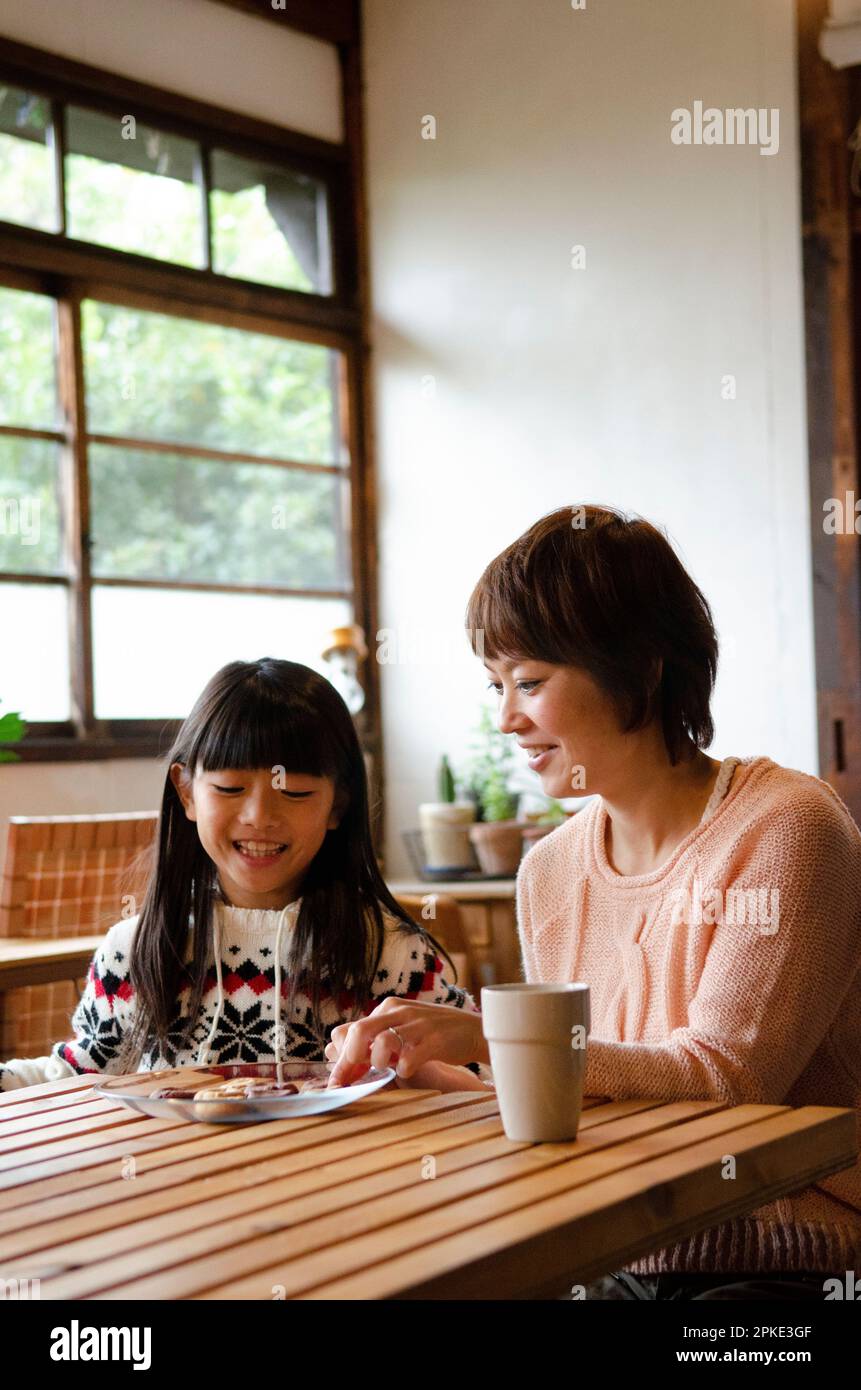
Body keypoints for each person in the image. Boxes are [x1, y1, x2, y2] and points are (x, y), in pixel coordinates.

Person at [326, 505, 861, 1300]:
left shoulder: (786, 827)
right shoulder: (548, 870)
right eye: (495, 685)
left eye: (530, 682)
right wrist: (432, 1071)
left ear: (640, 667)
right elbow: (586, 1097)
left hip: (785, 1257)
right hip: (612, 1246)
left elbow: (727, 1078)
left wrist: (493, 1034)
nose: (506, 718)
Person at [0, 658, 490, 1094]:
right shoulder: (133, 952)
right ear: (187, 792)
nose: (259, 816)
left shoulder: (393, 954)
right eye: (230, 788)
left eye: (294, 792)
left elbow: (481, 1081)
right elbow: (77, 1075)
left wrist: (418, 1072)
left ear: (337, 803)